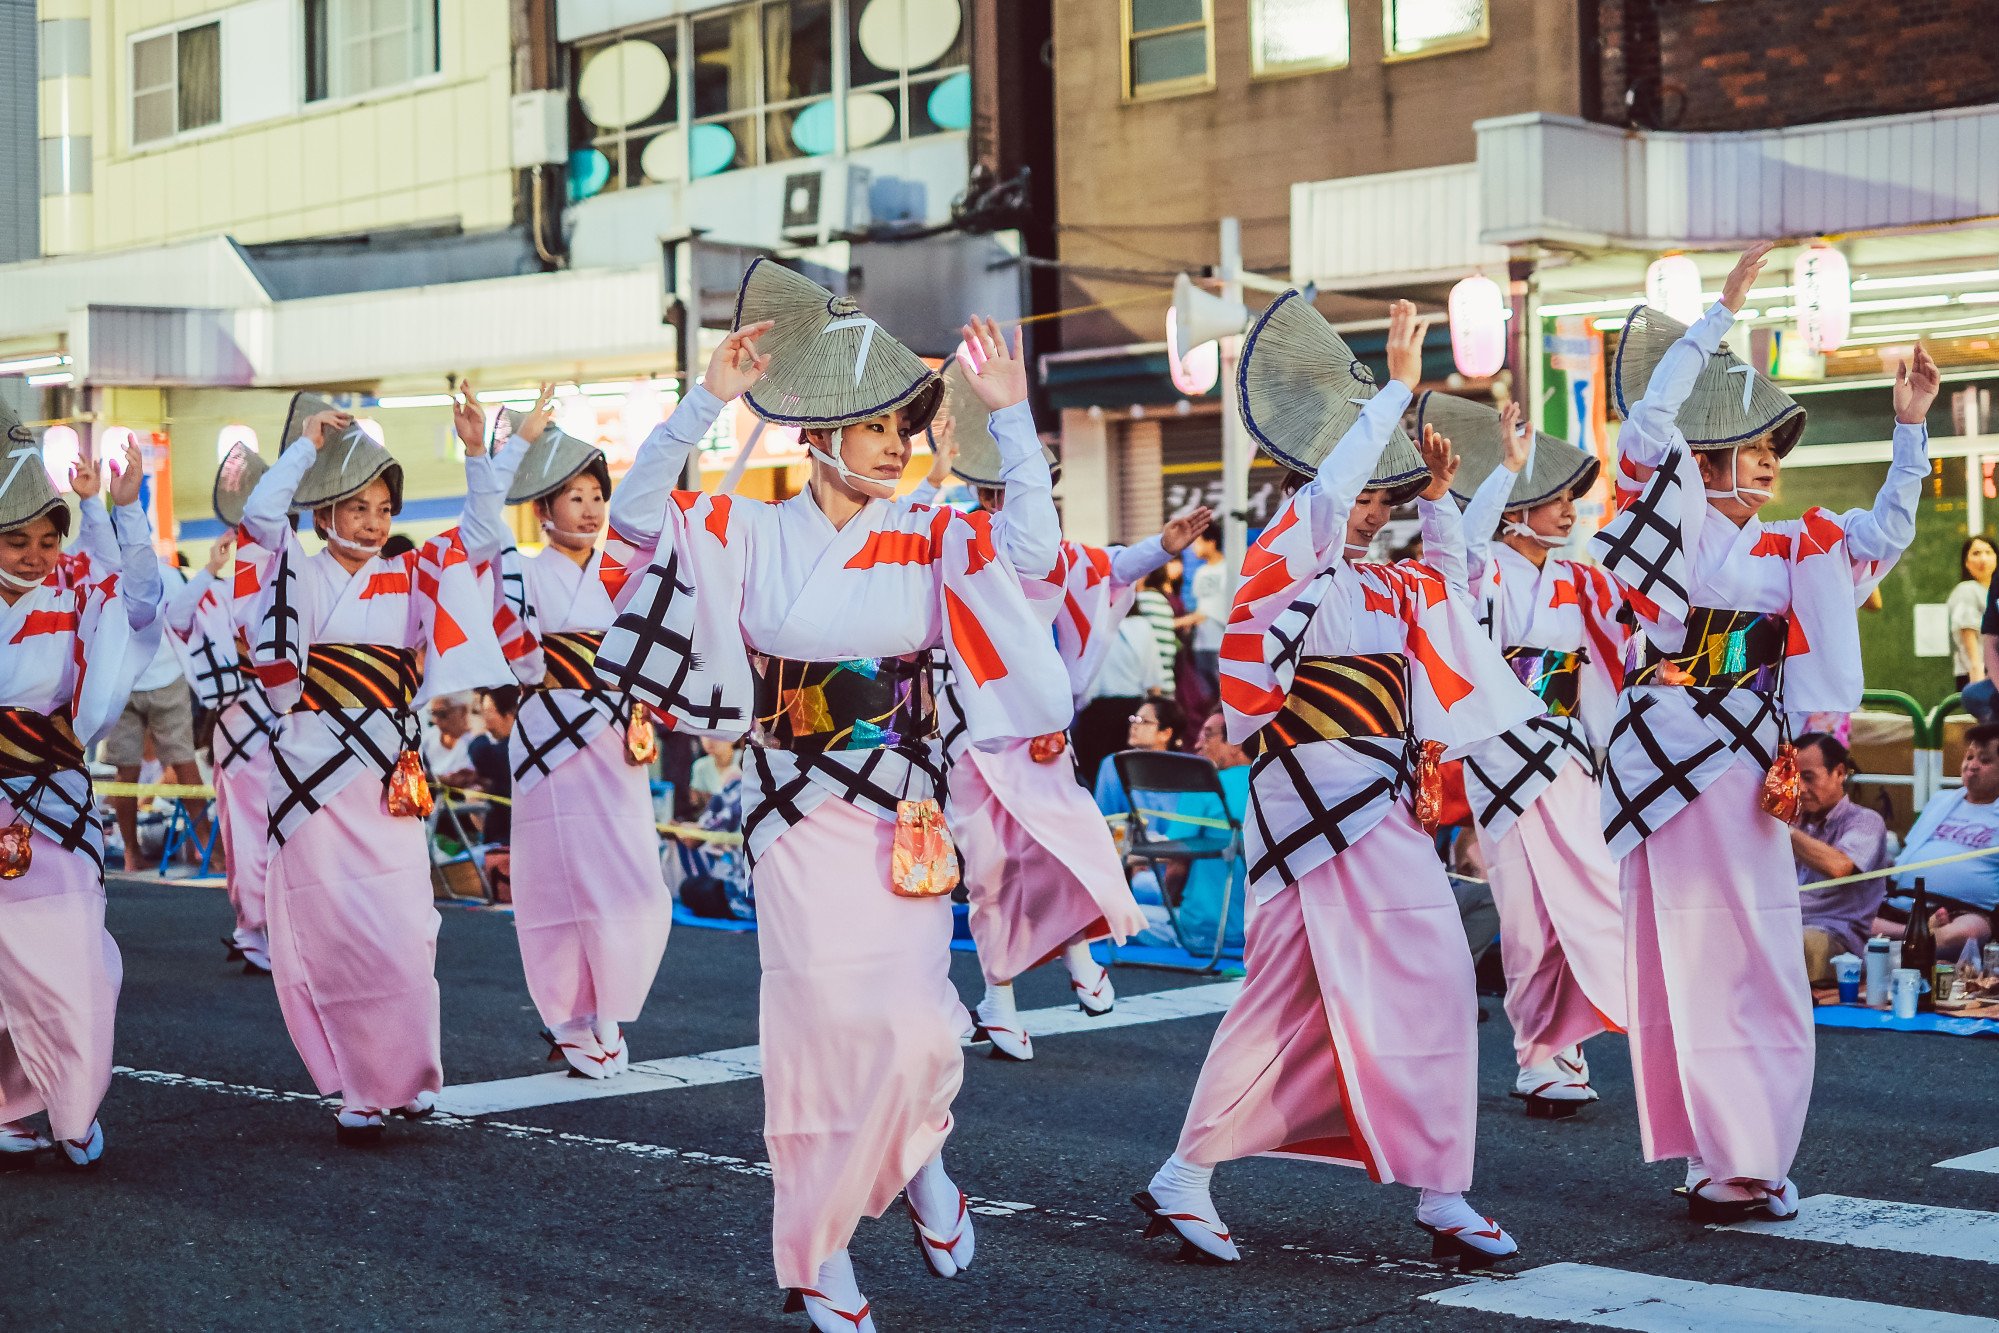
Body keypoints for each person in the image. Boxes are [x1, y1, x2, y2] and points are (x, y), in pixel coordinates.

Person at [594, 261, 1074, 1331]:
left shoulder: (934, 530)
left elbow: (1035, 556)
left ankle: (921, 1162)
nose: (897, 445)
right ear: (820, 431)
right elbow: (633, 522)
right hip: (794, 812)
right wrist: (705, 399)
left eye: (904, 425)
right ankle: (817, 1257)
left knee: (918, 1032)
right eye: (876, 426)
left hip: (901, 814)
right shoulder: (746, 528)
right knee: (817, 1038)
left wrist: (1013, 423)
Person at [1138, 297, 1539, 1272]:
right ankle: (1419, 1191)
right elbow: (1328, 499)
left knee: (1352, 989)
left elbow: (1455, 589)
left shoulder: (1378, 577)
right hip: (1315, 815)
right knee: (1364, 985)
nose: (1371, 509)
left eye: (1381, 502)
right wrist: (1395, 383)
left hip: (1372, 811)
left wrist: (1441, 496)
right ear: (1314, 483)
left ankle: (1208, 1177)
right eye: (1365, 494)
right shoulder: (1288, 552)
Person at [1591, 240, 1937, 1222]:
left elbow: (1881, 538)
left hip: (1751, 767)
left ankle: (1732, 1155)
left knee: (1757, 960)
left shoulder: (1790, 544)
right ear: (1708, 460)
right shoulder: (1677, 518)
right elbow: (1645, 428)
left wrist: (1908, 429)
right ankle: (1728, 1161)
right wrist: (1719, 315)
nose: (1769, 469)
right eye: (1754, 451)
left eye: (1774, 454)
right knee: (1709, 959)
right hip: (1674, 761)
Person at [459, 356, 759, 1081]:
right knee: (557, 884)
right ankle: (573, 1019)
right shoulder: (522, 570)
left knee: (632, 881)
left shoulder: (625, 566)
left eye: (598, 493)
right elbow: (477, 535)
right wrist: (491, 452)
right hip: (550, 740)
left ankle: (608, 1011)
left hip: (617, 737)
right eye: (574, 497)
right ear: (544, 509)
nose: (592, 508)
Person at [241, 392, 508, 1145]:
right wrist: (300, 447)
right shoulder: (298, 569)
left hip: (389, 774)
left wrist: (476, 453)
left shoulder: (414, 572)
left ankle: (409, 1076)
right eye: (356, 505)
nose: (372, 520)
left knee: (405, 927)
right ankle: (359, 1087)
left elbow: (483, 536)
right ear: (324, 509)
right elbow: (260, 521)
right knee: (335, 934)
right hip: (314, 778)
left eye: (384, 506)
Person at [904, 359, 1166, 1060]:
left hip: (1036, 730)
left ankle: (1079, 961)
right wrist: (934, 473)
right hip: (967, 728)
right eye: (997, 485)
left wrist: (1162, 547)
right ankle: (1000, 998)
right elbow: (902, 533)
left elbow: (1111, 568)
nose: (1015, 494)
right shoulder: (947, 535)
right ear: (980, 486)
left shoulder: (1049, 552)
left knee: (1065, 850)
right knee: (989, 869)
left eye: (1029, 484)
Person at [1438, 392, 1632, 1117]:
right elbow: (1455, 551)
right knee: (1524, 915)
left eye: (1569, 499)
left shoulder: (1576, 577)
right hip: (1503, 757)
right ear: (1514, 505)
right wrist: (1503, 468)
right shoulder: (1482, 569)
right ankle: (1536, 1056)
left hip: (1569, 753)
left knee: (1587, 896)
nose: (1568, 510)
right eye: (1551, 499)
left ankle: (1569, 1046)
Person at [0, 421, 162, 1171]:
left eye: (46, 538)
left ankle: (72, 1106)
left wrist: (123, 512)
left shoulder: (74, 588)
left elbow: (138, 603)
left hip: (54, 800)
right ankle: (12, 1109)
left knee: (80, 961)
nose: (35, 554)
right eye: (15, 539)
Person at [164, 454, 283, 975]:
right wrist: (211, 568)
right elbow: (176, 616)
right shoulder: (215, 591)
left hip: (282, 724)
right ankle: (257, 930)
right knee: (250, 830)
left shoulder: (291, 581)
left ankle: (268, 930)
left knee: (274, 830)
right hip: (243, 724)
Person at [105, 546, 210, 872]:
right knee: (155, 767)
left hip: (146, 678)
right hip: (138, 680)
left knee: (171, 765)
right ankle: (194, 847)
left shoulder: (108, 576)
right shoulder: (109, 576)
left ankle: (196, 846)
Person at [1872, 723, 1999, 958]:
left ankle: (1907, 943)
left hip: (1964, 912)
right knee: (1858, 919)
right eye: (1969, 757)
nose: (1972, 766)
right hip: (1907, 903)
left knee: (1968, 931)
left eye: (1985, 760)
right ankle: (1919, 934)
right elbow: (1908, 852)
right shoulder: (1941, 801)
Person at [1789, 732, 1890, 984]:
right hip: (1783, 923)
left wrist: (1784, 830)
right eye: (1794, 778)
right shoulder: (1791, 821)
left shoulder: (1866, 821)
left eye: (1808, 777)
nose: (1800, 787)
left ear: (1840, 773)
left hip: (1836, 938)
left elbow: (1841, 866)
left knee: (1793, 944)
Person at [1072, 598, 1164, 784]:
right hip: (1131, 711)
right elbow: (1153, 681)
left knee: (1096, 777)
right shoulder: (1142, 627)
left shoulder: (1092, 623)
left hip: (1096, 713)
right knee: (1129, 776)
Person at [1093, 695, 1186, 818]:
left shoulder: (1185, 770)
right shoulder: (1114, 763)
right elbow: (1105, 816)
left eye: (1144, 721)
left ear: (1165, 733)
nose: (1134, 726)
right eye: (1134, 719)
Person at [1178, 524, 1228, 690]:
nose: (1194, 547)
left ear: (1211, 542)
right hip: (1201, 642)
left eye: (1198, 541)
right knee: (1205, 694)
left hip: (1220, 642)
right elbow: (1200, 606)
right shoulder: (1200, 572)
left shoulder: (1229, 569)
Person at [1948, 536, 1995, 692]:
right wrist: (1979, 690)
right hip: (1978, 678)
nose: (1983, 558)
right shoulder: (1967, 590)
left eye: (1988, 552)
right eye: (1976, 553)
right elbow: (1972, 651)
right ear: (1966, 562)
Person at [422, 693, 478, 789]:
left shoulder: (474, 742)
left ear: (463, 710)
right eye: (433, 713)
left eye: (442, 714)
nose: (435, 720)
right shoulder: (428, 738)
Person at [689, 736, 740, 810]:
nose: (709, 740)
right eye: (705, 734)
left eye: (716, 734)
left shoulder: (747, 760)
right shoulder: (700, 766)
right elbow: (702, 806)